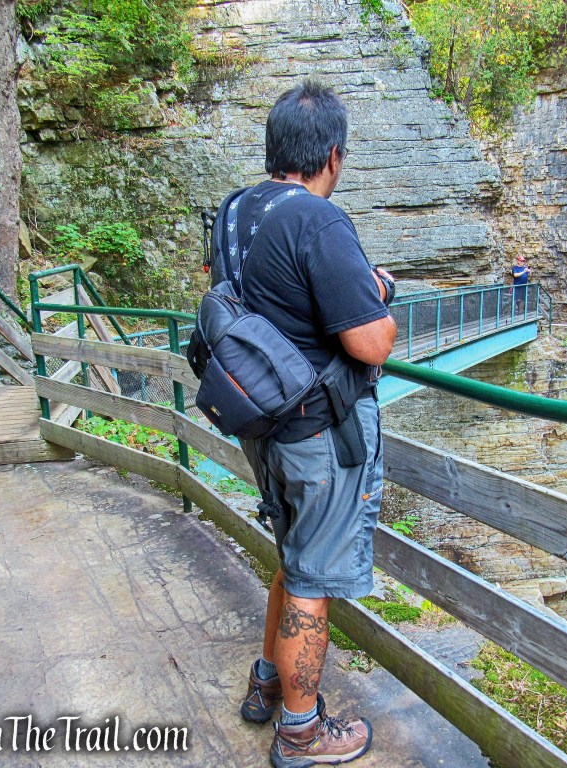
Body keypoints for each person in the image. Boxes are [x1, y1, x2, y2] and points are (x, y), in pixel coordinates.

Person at [232, 80, 396, 768]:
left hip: (262, 424)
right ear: (333, 154)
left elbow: (257, 300)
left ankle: (267, 684)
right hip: (317, 436)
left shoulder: (237, 210)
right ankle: (301, 733)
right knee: (312, 579)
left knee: (293, 559)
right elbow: (372, 343)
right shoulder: (320, 221)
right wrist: (377, 290)